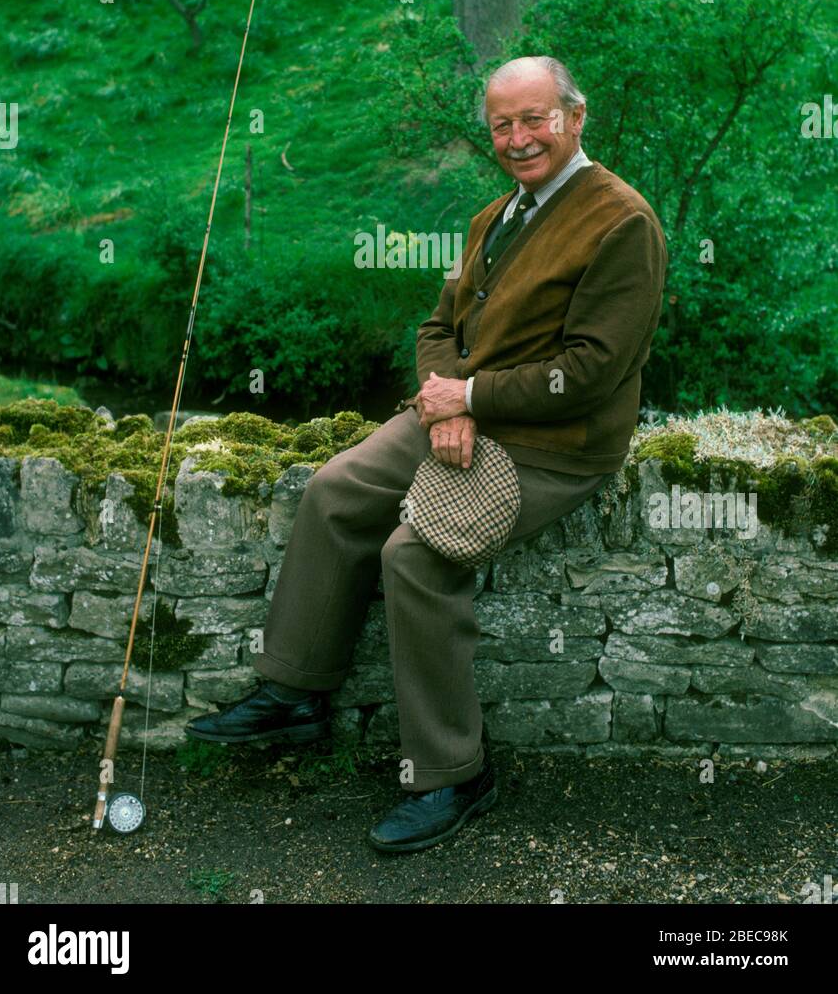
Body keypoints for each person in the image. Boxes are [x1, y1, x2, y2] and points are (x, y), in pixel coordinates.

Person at [186, 54, 668, 854]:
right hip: (466, 414)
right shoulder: (498, 216)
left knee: (416, 554)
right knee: (334, 491)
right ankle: (298, 691)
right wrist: (447, 399)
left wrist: (469, 401)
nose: (517, 139)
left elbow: (590, 373)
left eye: (534, 119)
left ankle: (453, 772)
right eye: (502, 124)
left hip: (556, 442)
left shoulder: (622, 224)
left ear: (575, 118)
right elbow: (435, 330)